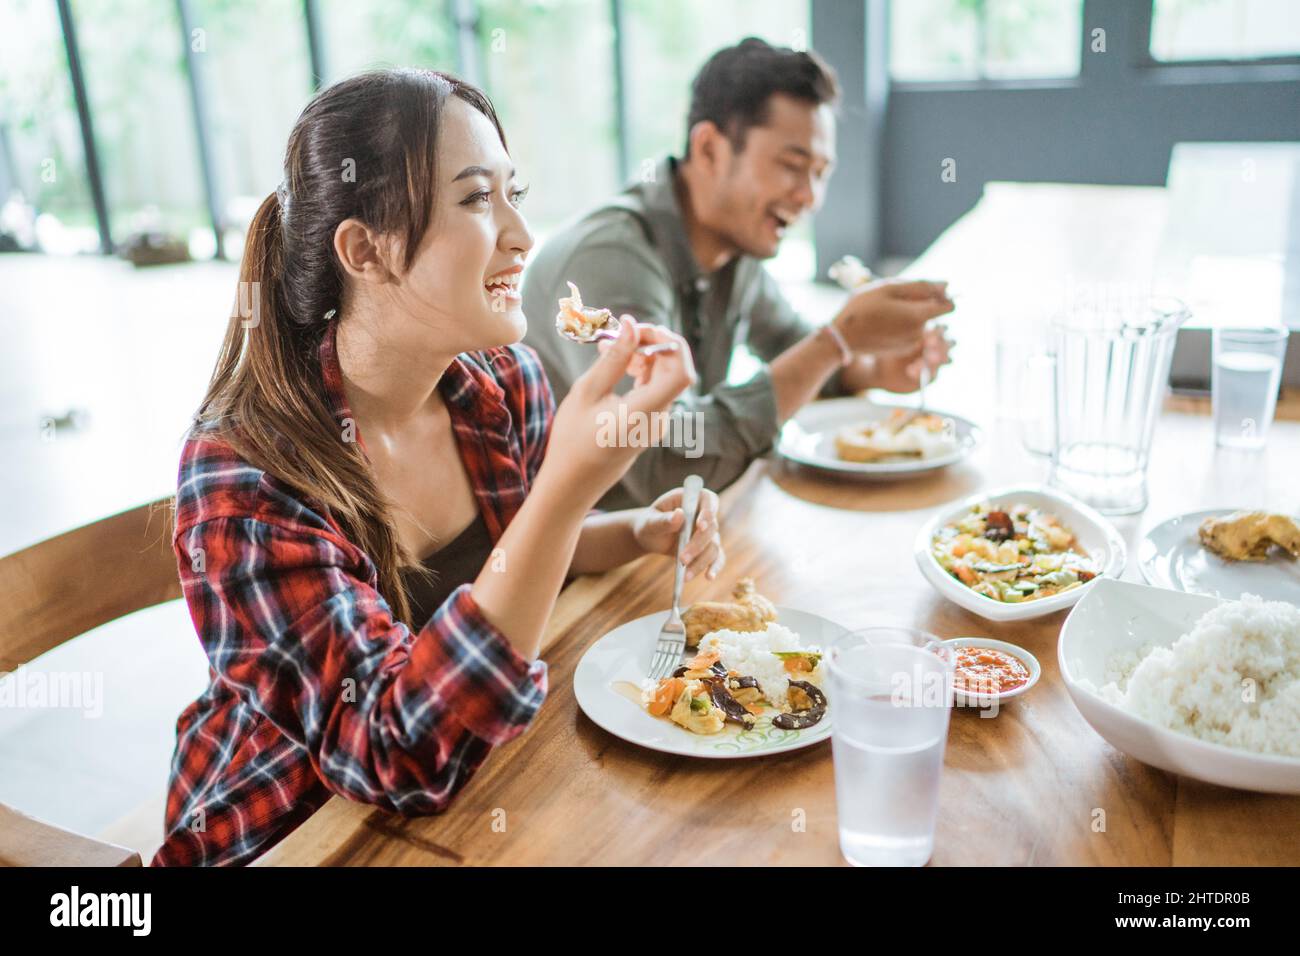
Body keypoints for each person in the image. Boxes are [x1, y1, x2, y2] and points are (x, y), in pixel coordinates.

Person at [154, 69, 721, 866]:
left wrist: (633, 529)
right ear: (364, 249)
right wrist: (569, 485)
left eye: (512, 192)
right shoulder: (243, 482)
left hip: (480, 794)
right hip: (297, 832)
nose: (523, 235)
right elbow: (395, 752)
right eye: (477, 199)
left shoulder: (500, 383)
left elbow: (513, 551)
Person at [523, 38, 954, 510]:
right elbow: (660, 465)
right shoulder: (610, 259)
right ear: (708, 148)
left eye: (821, 173)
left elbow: (794, 351)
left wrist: (871, 366)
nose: (810, 198)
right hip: (582, 560)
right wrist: (836, 341)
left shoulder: (735, 249)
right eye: (792, 166)